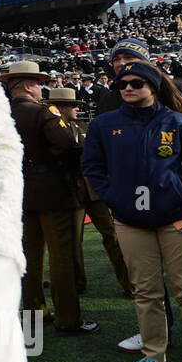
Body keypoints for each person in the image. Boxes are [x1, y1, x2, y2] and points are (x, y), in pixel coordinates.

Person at [81, 60, 182, 362]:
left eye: (136, 83)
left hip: (179, 218)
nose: (128, 88)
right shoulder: (104, 125)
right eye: (122, 84)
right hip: (131, 221)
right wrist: (116, 197)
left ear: (154, 86)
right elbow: (92, 167)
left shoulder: (180, 123)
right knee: (146, 293)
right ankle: (154, 359)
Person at [4, 62, 96, 334]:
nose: (42, 88)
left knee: (29, 258)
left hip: (19, 191)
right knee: (61, 257)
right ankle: (68, 319)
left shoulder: (0, 114)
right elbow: (69, 142)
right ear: (27, 85)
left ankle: (34, 313)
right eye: (38, 83)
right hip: (54, 191)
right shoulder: (44, 113)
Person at [49, 86, 132, 297]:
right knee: (73, 242)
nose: (77, 108)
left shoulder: (85, 126)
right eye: (73, 105)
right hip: (69, 190)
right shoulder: (49, 128)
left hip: (94, 190)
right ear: (59, 107)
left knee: (113, 236)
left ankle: (130, 283)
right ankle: (77, 283)